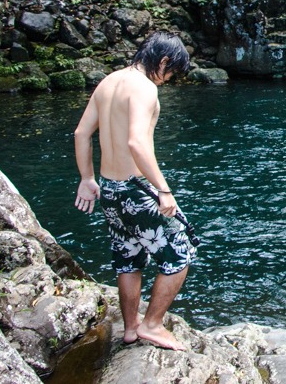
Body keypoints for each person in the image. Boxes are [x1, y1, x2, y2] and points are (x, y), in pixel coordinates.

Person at [73, 30, 194, 351]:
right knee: (180, 255)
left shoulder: (108, 82)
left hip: (110, 189)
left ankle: (130, 328)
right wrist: (164, 190)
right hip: (137, 189)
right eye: (172, 73)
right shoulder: (144, 89)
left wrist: (87, 179)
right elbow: (137, 142)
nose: (168, 80)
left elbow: (81, 133)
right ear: (164, 61)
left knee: (129, 257)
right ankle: (152, 325)